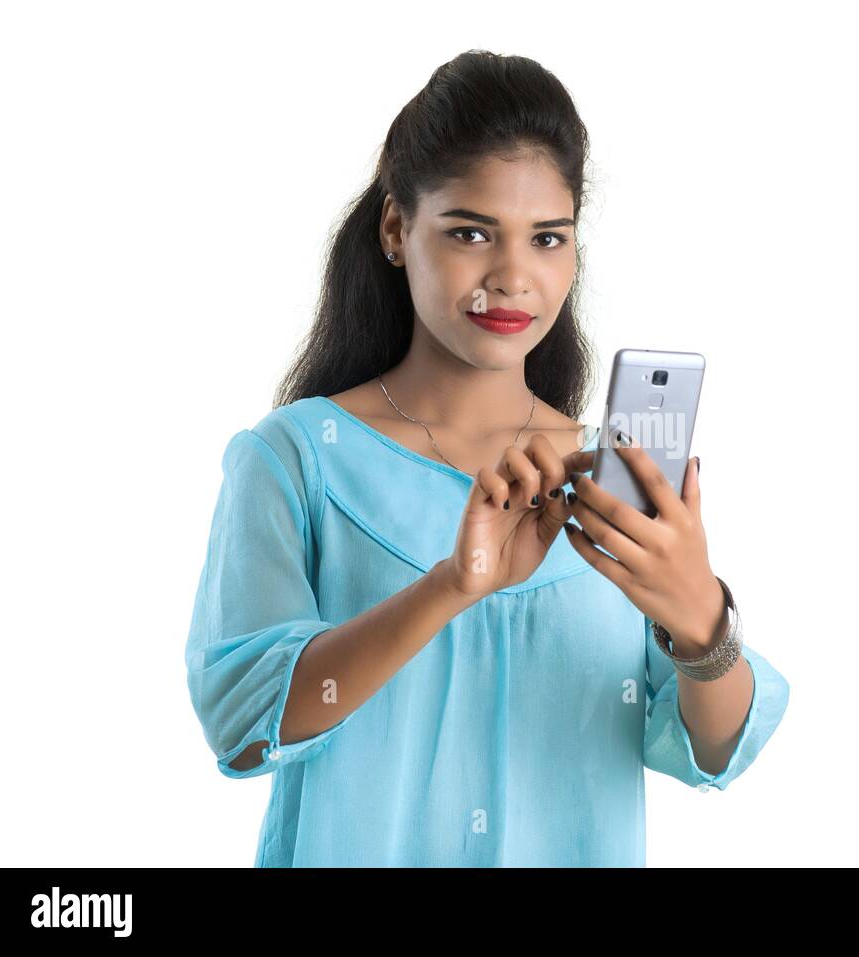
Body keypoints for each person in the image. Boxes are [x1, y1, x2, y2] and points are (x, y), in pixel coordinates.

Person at [184, 49, 790, 867]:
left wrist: (699, 621)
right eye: (471, 232)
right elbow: (246, 723)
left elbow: (712, 753)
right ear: (397, 229)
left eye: (547, 238)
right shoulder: (296, 458)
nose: (513, 276)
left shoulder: (607, 483)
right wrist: (452, 587)